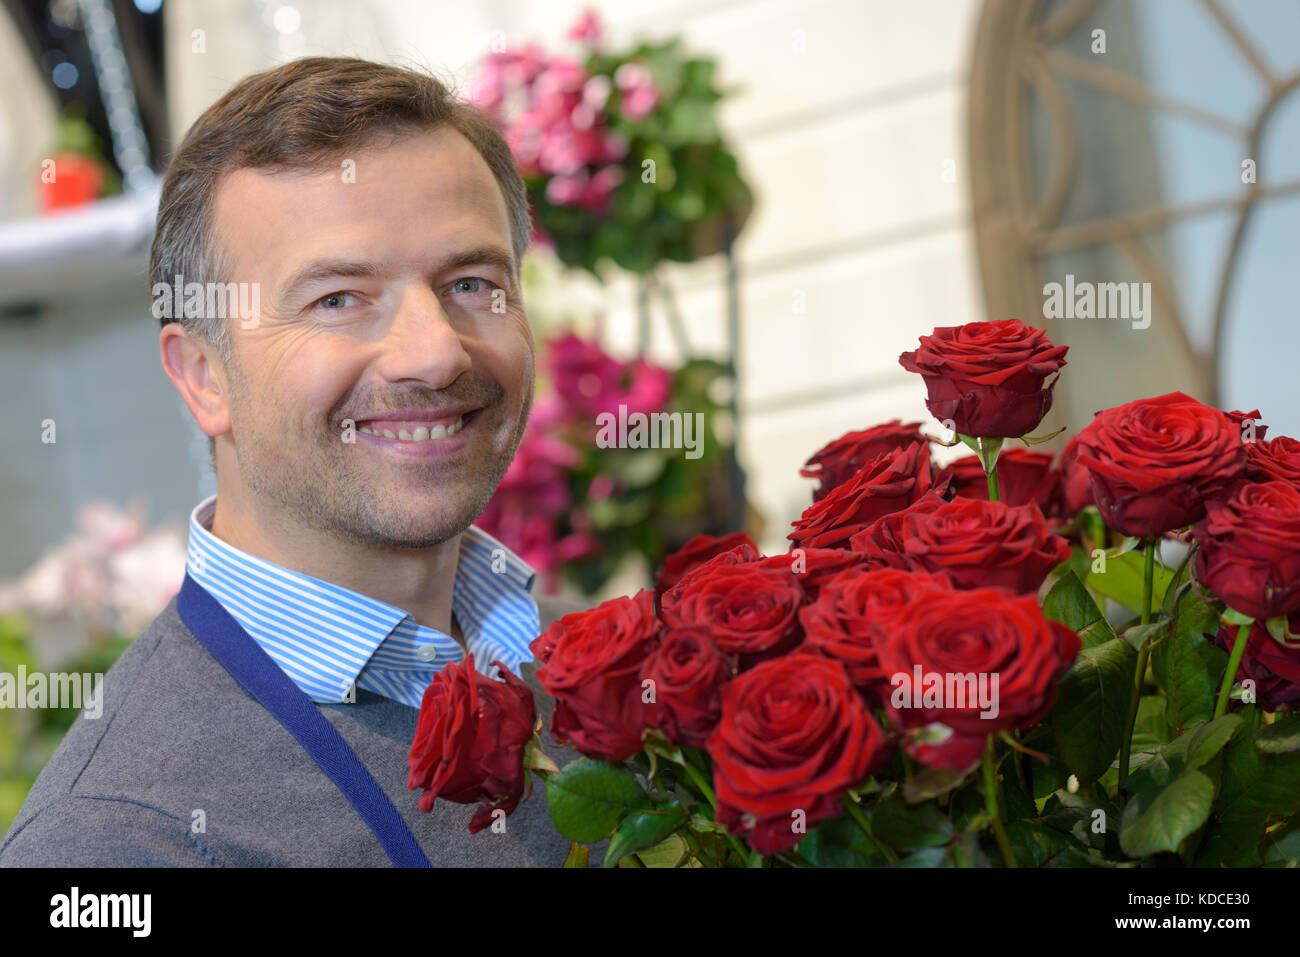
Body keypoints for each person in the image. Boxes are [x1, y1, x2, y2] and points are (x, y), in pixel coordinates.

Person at [0, 57, 588, 867]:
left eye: (473, 283)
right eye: (338, 299)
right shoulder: (115, 843)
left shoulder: (590, 666)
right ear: (204, 377)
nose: (434, 354)